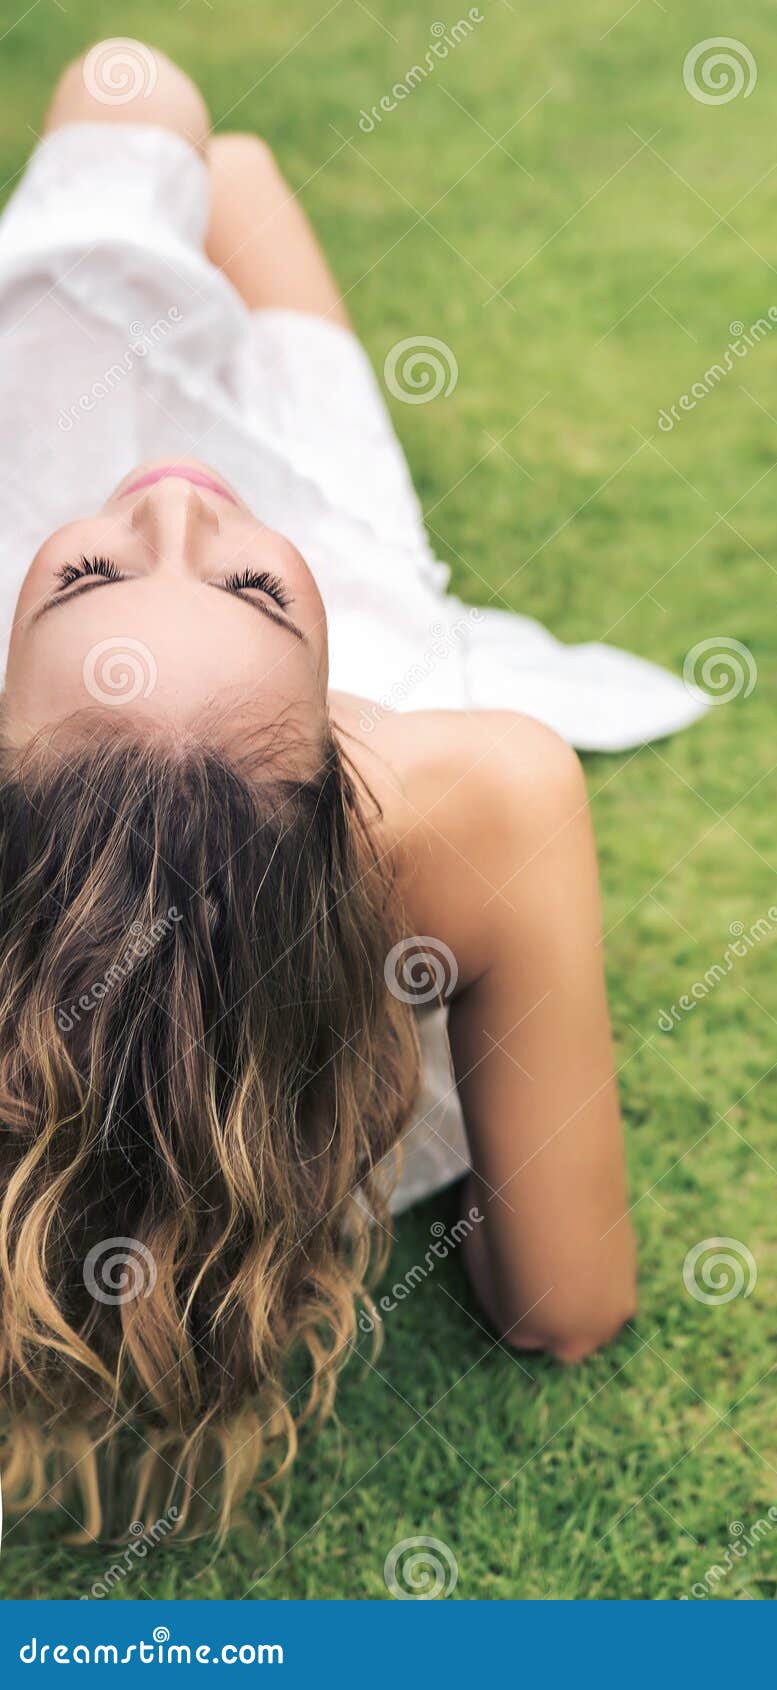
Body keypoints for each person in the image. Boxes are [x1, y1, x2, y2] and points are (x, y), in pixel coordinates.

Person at [0, 40, 704, 1539]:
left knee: (141, 108)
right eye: (254, 589)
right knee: (220, 160)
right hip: (337, 565)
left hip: (34, 473)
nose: (176, 496)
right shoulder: (460, 793)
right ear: (349, 763)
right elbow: (562, 1306)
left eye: (88, 571)